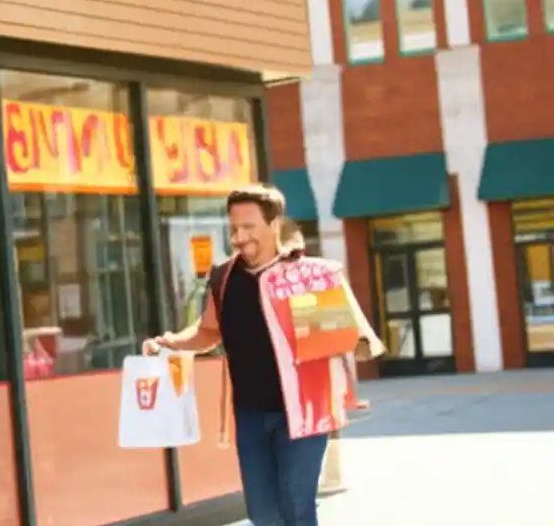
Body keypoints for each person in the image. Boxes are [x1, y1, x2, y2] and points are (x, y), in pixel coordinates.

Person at [143, 184, 383, 526]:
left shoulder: (307, 276)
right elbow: (208, 331)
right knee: (263, 514)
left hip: (302, 411)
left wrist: (344, 334)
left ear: (273, 224)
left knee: (296, 506)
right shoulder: (223, 277)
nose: (239, 237)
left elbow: (355, 343)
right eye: (234, 228)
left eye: (248, 227)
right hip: (250, 415)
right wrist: (170, 343)